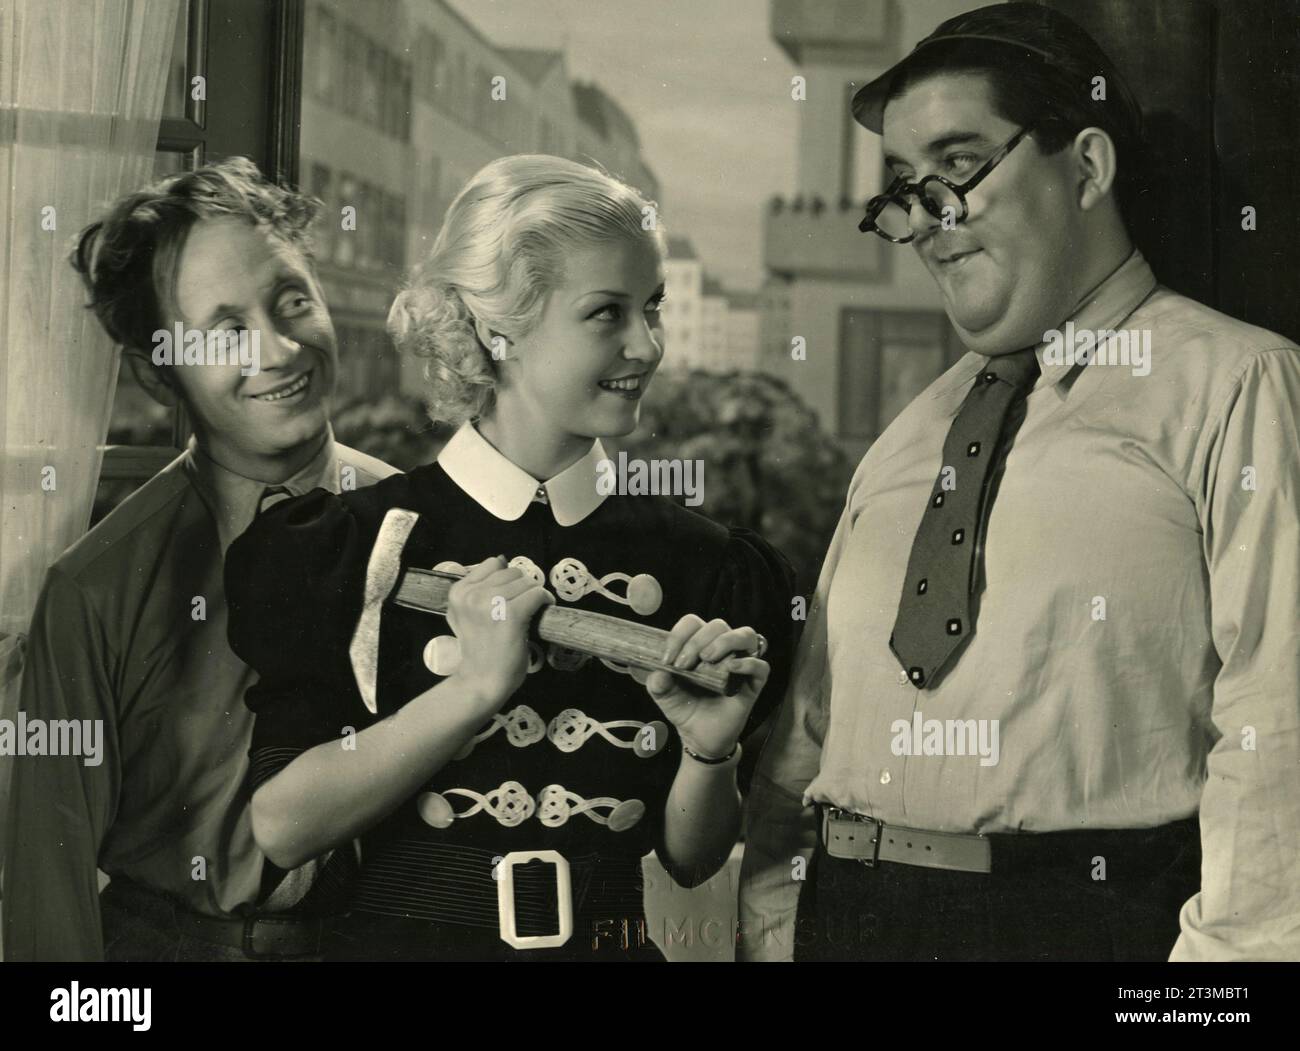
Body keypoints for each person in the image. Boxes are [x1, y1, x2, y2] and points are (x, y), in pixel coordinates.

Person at [739, 2, 1300, 962]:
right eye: (908, 191)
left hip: (1080, 927)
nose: (927, 222)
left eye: (957, 168)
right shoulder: (909, 434)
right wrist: (772, 923)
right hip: (843, 919)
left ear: (1086, 166)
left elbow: (1280, 728)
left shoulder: (1241, 384)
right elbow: (812, 730)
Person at [224, 154, 797, 961]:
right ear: (499, 327)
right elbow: (283, 825)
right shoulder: (350, 545)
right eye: (607, 313)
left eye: (654, 306)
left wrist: (711, 750)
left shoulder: (706, 563)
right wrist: (473, 690)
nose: (649, 344)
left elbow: (692, 858)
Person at [1, 157, 396, 961]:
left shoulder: (424, 524)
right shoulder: (96, 588)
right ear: (158, 371)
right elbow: (51, 889)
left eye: (293, 300)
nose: (281, 349)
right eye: (226, 330)